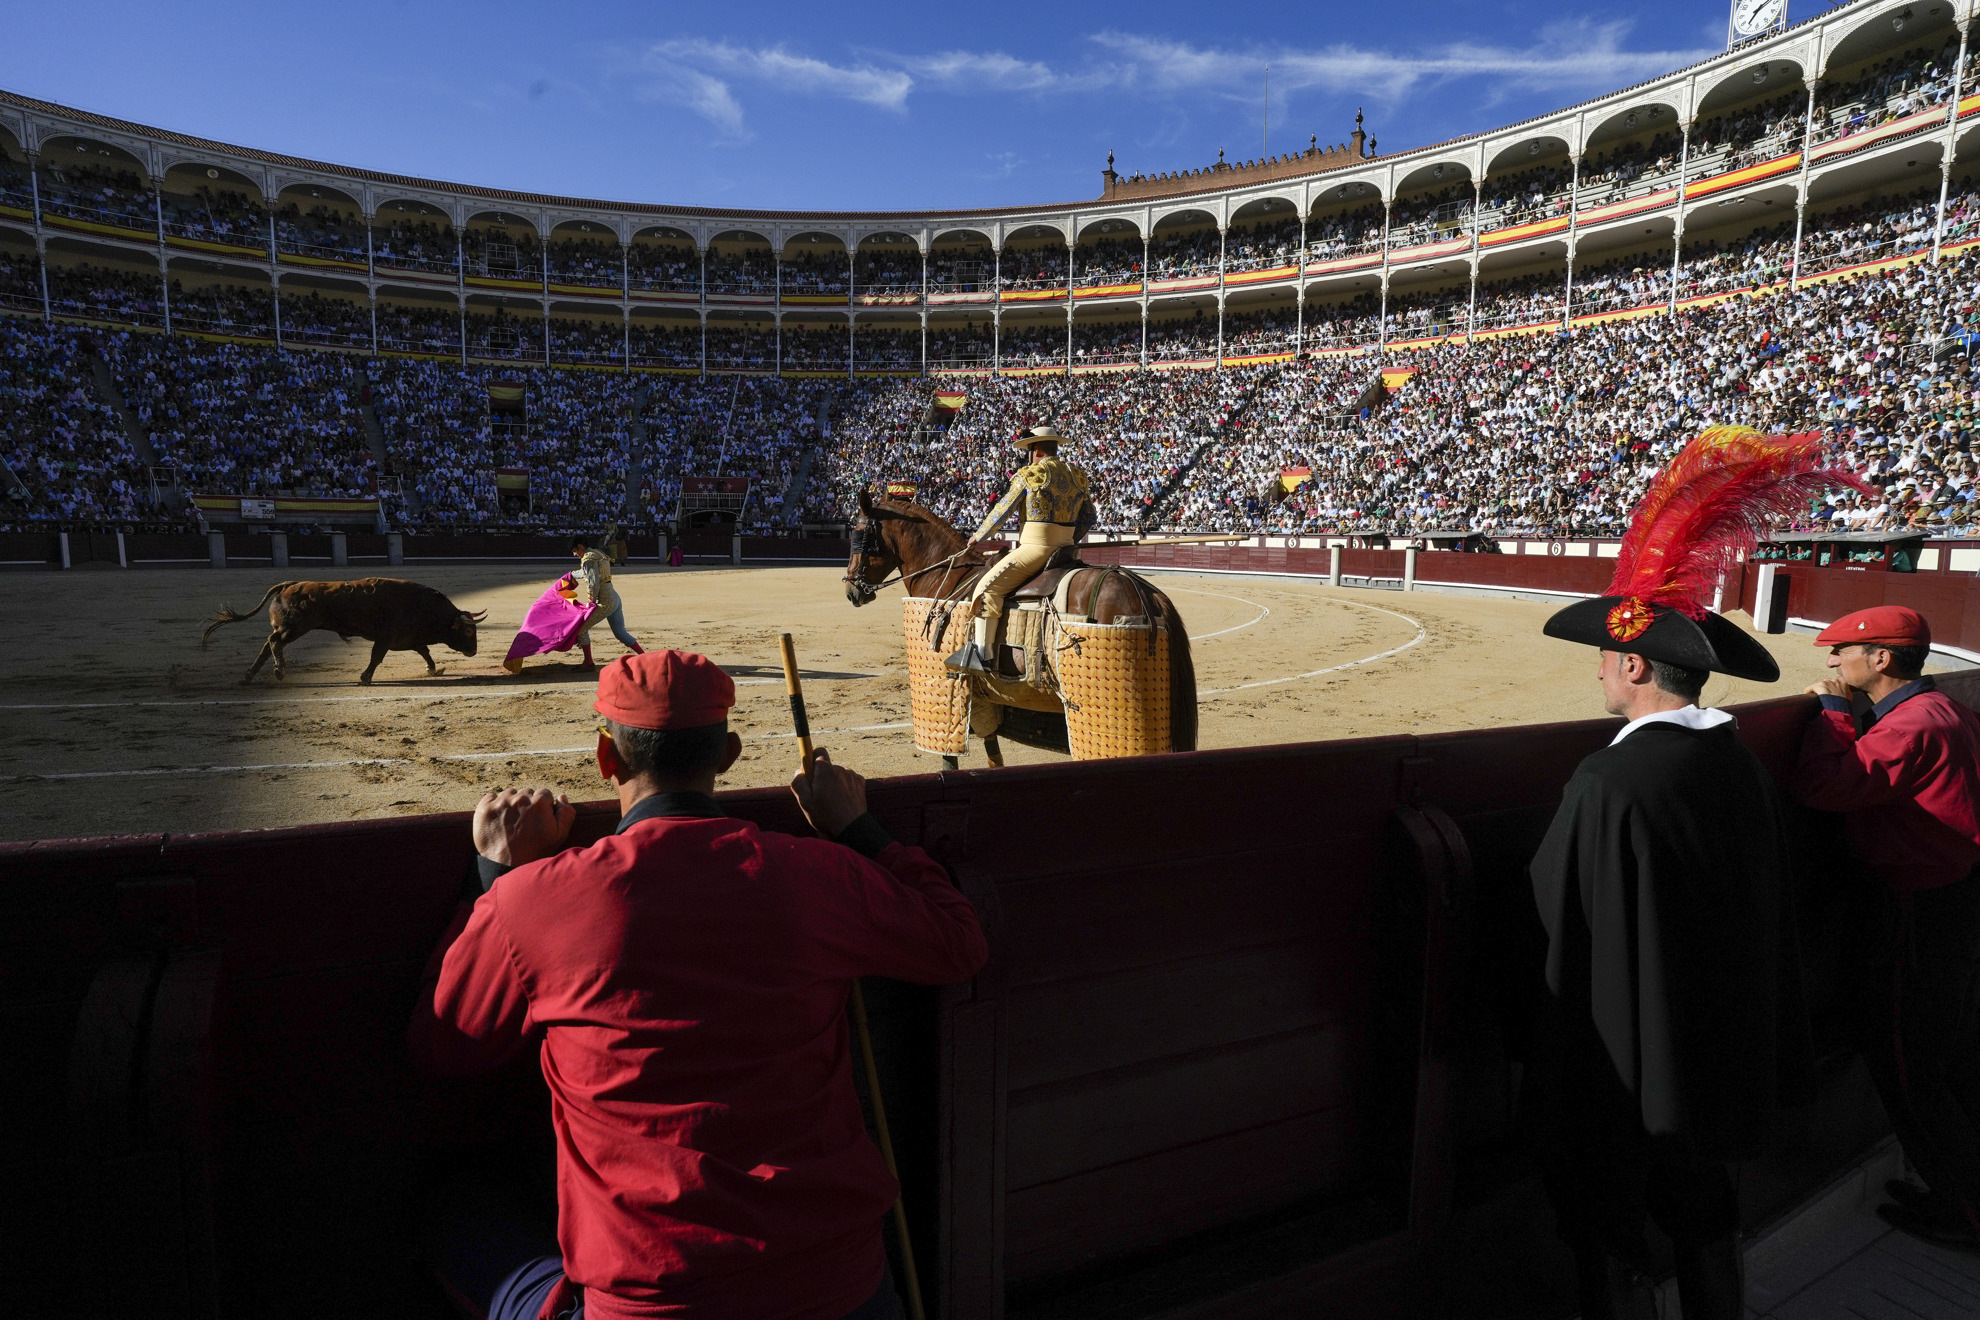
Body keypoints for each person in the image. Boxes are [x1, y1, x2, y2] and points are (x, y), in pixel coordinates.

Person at [409, 649, 989, 1320]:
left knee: (457, 1213)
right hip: (840, 1286)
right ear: (730, 754)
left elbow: (442, 1046)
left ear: (607, 759)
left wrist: (491, 877)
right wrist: (860, 829)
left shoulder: (533, 900)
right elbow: (960, 944)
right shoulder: (817, 870)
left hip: (656, 1304)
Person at [1525, 425, 1838, 1320]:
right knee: (1703, 1199)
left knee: (1604, 1198)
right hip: (1718, 1032)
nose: (1597, 673)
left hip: (1632, 1045)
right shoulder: (1733, 761)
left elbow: (1557, 913)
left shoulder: (1610, 780)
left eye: (1603, 660)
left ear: (1631, 663)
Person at [1790, 605, 1980, 1248]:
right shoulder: (1946, 712)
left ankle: (1967, 1213)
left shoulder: (1914, 724)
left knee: (1909, 1066)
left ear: (1880, 659)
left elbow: (1827, 788)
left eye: (1844, 650)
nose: (1833, 662)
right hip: (1953, 898)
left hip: (1919, 910)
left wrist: (1834, 714)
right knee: (1948, 1058)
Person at [945, 425, 1095, 677]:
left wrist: (978, 536)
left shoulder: (1031, 474)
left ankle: (983, 656)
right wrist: (1070, 539)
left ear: (1035, 449)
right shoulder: (1076, 476)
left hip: (1036, 549)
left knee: (986, 589)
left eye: (1028, 449)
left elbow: (1003, 510)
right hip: (1068, 550)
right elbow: (1090, 516)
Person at [571, 534, 644, 668]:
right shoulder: (597, 553)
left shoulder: (588, 559)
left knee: (581, 629)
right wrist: (570, 575)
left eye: (575, 551)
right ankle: (644, 657)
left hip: (605, 601)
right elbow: (585, 572)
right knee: (621, 633)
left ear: (580, 547)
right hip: (614, 597)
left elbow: (593, 583)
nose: (575, 554)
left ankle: (588, 662)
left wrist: (590, 602)